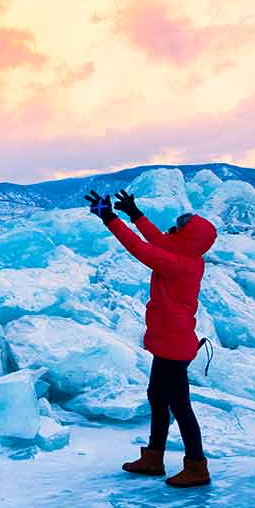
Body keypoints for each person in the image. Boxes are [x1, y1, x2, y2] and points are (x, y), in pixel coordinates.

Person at [86, 188, 216, 488]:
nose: (172, 229)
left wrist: (110, 219)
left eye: (179, 228)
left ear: (187, 238)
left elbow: (143, 250)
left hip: (174, 345)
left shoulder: (179, 264)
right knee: (158, 398)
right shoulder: (183, 253)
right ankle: (154, 457)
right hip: (169, 342)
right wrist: (134, 214)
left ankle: (197, 466)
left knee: (180, 406)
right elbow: (158, 240)